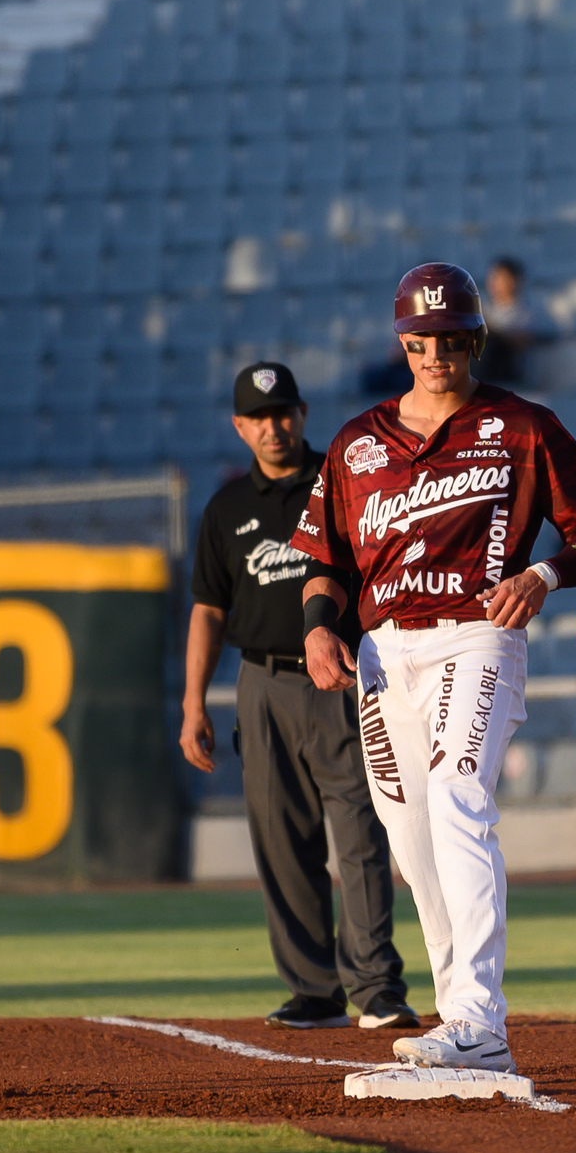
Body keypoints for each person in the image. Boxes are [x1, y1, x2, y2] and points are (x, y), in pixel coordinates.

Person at [292, 263, 576, 1073]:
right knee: (411, 842)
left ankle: (480, 1016)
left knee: (457, 800)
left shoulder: (522, 426)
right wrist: (316, 628)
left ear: (475, 339)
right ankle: (458, 1021)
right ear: (402, 343)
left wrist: (544, 574)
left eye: (449, 337)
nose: (435, 351)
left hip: (476, 634)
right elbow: (325, 560)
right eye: (420, 339)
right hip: (381, 653)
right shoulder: (357, 442)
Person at [181, 361, 416, 1032]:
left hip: (340, 673)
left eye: (283, 412)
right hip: (260, 682)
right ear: (238, 426)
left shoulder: (337, 480)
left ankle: (376, 988)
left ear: (303, 413)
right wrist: (195, 704)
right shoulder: (227, 508)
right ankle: (313, 989)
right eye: (258, 416)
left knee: (359, 835)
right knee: (281, 838)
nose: (273, 426)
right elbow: (207, 609)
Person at [475, 256, 554, 387]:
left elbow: (524, 340)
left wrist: (495, 332)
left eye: (500, 277)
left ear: (514, 281)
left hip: (510, 371)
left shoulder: (526, 312)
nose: (494, 282)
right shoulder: (483, 309)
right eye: (493, 277)